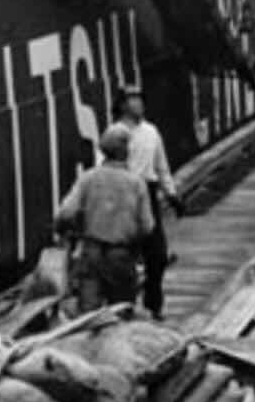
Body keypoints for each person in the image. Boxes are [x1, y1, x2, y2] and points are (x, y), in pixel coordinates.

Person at [55, 123, 154, 312]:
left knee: (89, 316)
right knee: (121, 314)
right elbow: (147, 226)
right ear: (125, 151)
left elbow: (66, 212)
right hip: (122, 257)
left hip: (91, 254)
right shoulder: (136, 184)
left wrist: (63, 230)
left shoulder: (88, 178)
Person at [116, 85, 183, 320]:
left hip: (149, 193)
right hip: (124, 197)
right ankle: (126, 307)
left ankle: (154, 304)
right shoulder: (115, 134)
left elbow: (161, 165)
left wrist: (172, 194)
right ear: (123, 104)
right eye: (133, 100)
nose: (140, 104)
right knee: (125, 256)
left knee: (157, 255)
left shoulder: (151, 132)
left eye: (140, 99)